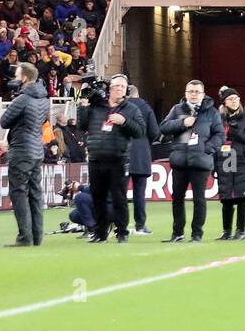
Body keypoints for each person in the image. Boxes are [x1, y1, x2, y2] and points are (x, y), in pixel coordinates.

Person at [78, 74, 145, 243]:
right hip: (95, 157)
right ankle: (100, 232)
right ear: (110, 88)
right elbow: (82, 125)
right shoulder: (97, 106)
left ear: (126, 90)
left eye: (122, 87)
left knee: (119, 197)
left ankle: (122, 231)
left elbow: (140, 131)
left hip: (118, 158)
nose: (119, 89)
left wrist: (125, 121)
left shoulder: (130, 109)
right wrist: (83, 106)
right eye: (116, 86)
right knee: (97, 196)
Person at [159, 79, 224, 242]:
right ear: (186, 93)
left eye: (197, 92)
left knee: (199, 199)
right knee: (177, 198)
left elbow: (220, 135)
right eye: (190, 91)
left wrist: (207, 149)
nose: (193, 94)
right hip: (180, 160)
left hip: (200, 161)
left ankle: (197, 233)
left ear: (203, 94)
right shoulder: (177, 109)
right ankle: (178, 232)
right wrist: (182, 123)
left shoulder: (212, 112)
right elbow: (164, 128)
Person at [0, 62, 49, 247]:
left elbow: (4, 121)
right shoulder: (44, 98)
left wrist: (14, 100)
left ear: (25, 78)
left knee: (19, 192)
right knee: (36, 193)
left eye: (18, 75)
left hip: (21, 150)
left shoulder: (22, 99)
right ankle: (37, 237)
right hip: (37, 150)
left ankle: (25, 237)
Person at [217, 87, 245, 241]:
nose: (234, 101)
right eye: (230, 99)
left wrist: (238, 134)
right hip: (225, 159)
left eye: (236, 98)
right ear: (224, 102)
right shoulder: (219, 119)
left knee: (243, 197)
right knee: (227, 198)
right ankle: (226, 231)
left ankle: (240, 231)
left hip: (242, 161)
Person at [123, 83, 160, 235]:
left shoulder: (121, 107)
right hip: (141, 154)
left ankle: (120, 224)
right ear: (138, 94)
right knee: (139, 192)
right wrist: (145, 143)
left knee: (120, 192)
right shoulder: (146, 108)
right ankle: (140, 225)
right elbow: (154, 131)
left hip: (123, 153)